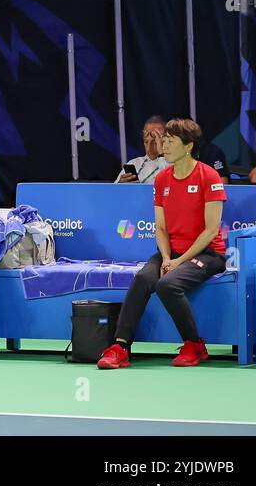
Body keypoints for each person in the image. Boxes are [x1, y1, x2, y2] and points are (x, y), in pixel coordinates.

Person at [97, 119, 229, 369]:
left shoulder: (208, 175)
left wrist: (178, 262)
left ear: (188, 146)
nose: (163, 145)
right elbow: (160, 227)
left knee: (168, 284)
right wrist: (167, 258)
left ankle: (194, 345)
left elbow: (211, 229)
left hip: (208, 253)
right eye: (164, 139)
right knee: (143, 279)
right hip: (171, 252)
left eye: (170, 140)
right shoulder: (162, 179)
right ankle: (120, 346)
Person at [117, 115, 170, 183]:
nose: (149, 147)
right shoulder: (134, 163)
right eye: (146, 141)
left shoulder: (172, 163)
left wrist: (161, 152)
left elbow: (170, 180)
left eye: (154, 140)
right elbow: (112, 191)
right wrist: (120, 185)